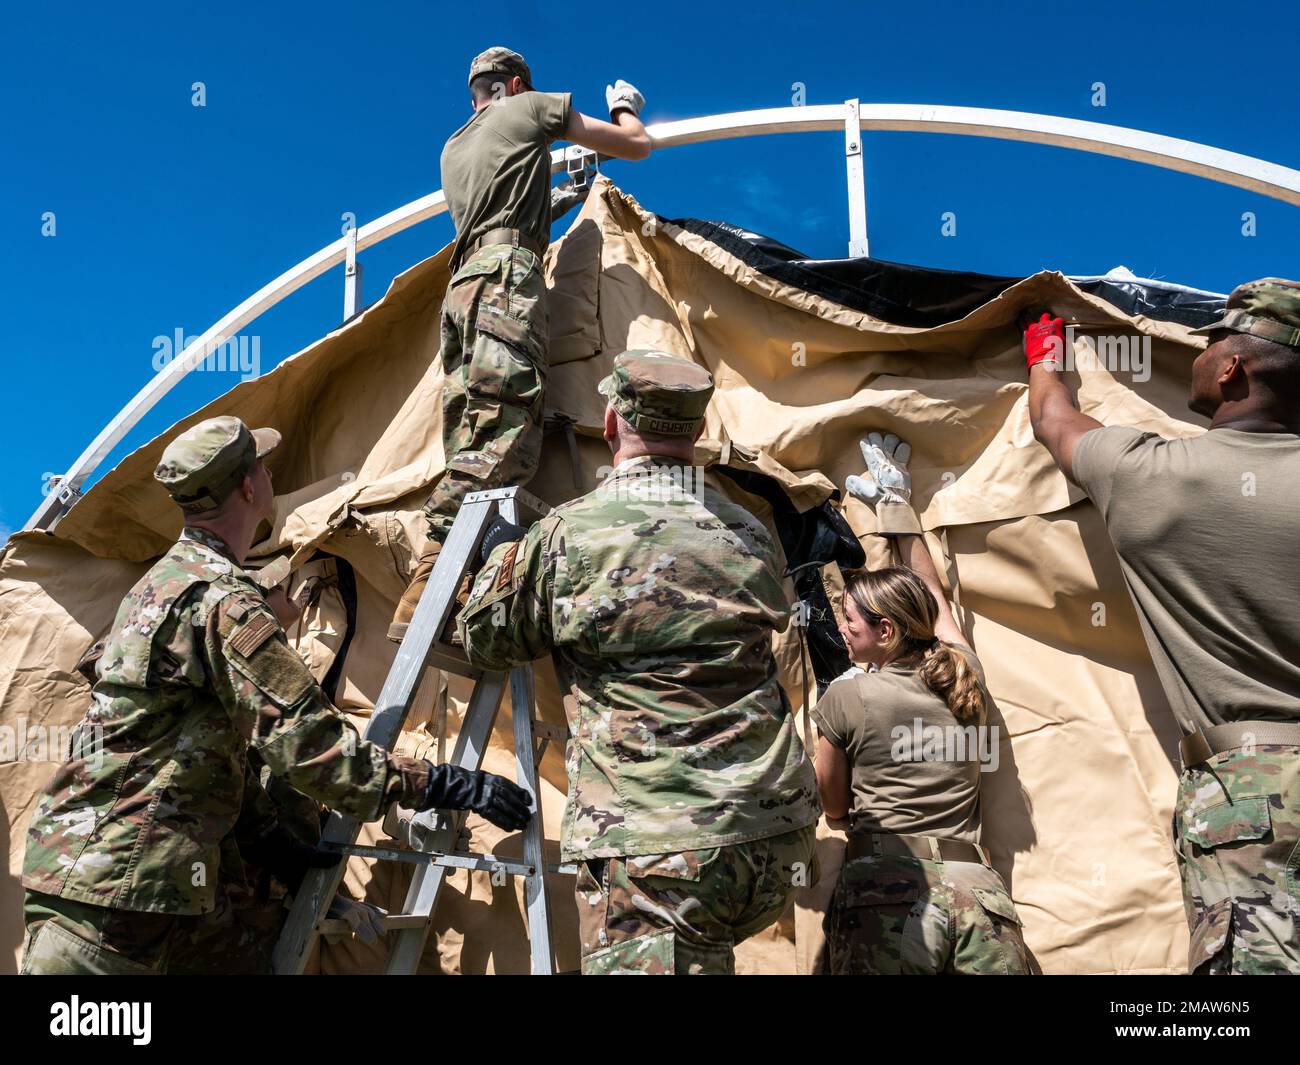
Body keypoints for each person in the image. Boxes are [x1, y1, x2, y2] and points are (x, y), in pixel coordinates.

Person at [21, 415, 531, 974]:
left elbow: (202, 749)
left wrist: (275, 845)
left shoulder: (161, 584)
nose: (270, 476)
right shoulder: (220, 601)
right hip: (118, 900)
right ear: (247, 488)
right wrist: (444, 783)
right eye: (263, 467)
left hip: (118, 884)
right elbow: (311, 745)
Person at [458, 349, 820, 974]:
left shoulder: (572, 532)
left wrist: (496, 563)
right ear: (699, 432)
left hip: (659, 844)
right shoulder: (752, 534)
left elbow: (487, 640)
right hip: (772, 836)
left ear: (610, 422)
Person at [1023, 279, 1300, 974]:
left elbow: (1054, 419)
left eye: (1210, 344)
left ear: (1233, 368)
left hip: (1252, 797)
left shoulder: (1151, 474)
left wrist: (1042, 349)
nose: (1200, 354)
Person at [389, 47, 653, 640]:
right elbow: (634, 146)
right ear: (514, 84)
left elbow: (498, 207)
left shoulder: (453, 148)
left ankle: (452, 581)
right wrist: (625, 108)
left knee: (469, 427)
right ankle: (435, 577)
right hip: (508, 276)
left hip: (462, 287)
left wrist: (550, 203)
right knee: (501, 429)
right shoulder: (529, 106)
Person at [812, 433, 1030, 975]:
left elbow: (832, 805)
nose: (841, 627)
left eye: (852, 621)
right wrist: (898, 510)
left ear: (885, 631)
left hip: (886, 890)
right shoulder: (963, 673)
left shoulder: (848, 694)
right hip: (978, 893)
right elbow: (934, 605)